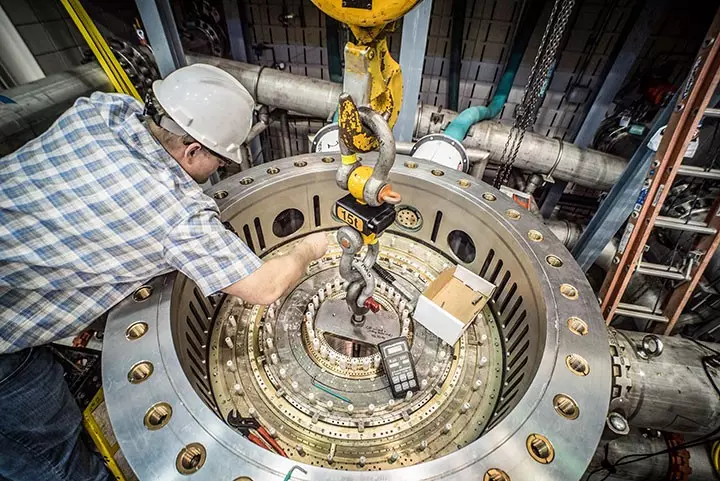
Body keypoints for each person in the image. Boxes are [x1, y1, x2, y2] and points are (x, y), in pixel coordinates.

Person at [0, 63, 328, 481]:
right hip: (5, 342)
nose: (218, 173)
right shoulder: (172, 213)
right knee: (49, 452)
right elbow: (265, 288)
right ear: (192, 151)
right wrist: (311, 247)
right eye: (220, 162)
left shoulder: (103, 110)